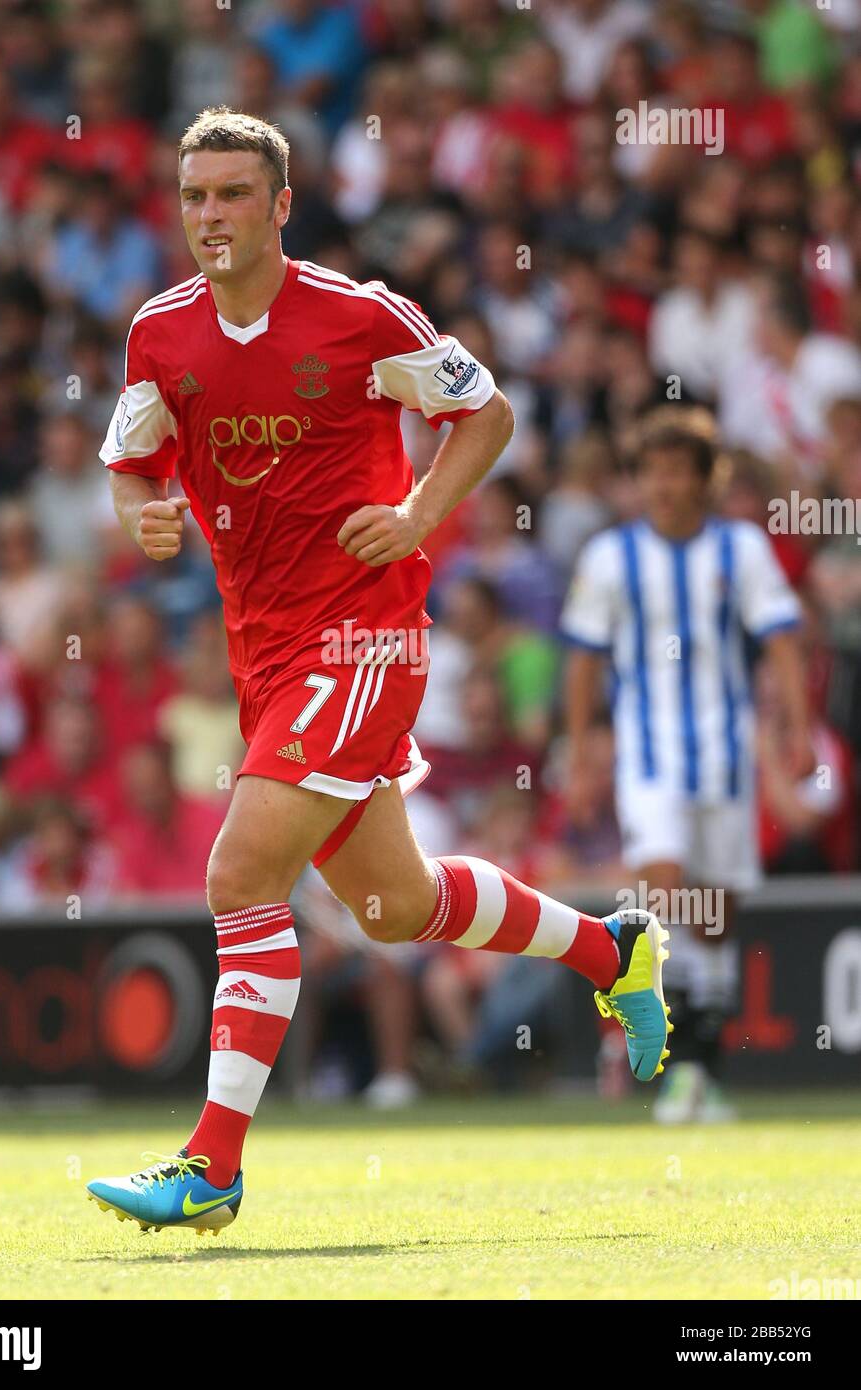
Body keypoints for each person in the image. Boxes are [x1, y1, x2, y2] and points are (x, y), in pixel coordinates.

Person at [86, 107, 671, 1236]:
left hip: (361, 636)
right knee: (393, 905)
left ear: (280, 205)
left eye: (232, 195)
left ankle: (211, 1165)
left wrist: (414, 515)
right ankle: (615, 948)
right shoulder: (157, 333)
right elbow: (127, 459)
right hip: (260, 648)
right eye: (193, 194)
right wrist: (142, 516)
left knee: (238, 875)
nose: (209, 215)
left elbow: (485, 413)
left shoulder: (355, 317)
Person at [560, 407, 811, 1123]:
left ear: (703, 479)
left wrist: (793, 730)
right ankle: (682, 1073)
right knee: (665, 882)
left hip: (726, 754)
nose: (663, 484)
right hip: (647, 757)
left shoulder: (740, 549)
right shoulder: (611, 557)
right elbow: (582, 659)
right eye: (651, 471)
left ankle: (701, 1068)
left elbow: (782, 639)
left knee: (716, 917)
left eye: (677, 470)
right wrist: (580, 755)